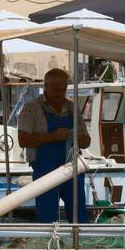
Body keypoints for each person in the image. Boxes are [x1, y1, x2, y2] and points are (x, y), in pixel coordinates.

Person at [17, 68, 91, 223]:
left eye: (63, 89)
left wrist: (75, 137)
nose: (59, 93)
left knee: (79, 215)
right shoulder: (31, 109)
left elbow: (87, 141)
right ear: (46, 87)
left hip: (72, 169)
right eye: (56, 89)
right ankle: (47, 246)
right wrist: (52, 137)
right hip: (45, 169)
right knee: (46, 216)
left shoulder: (72, 108)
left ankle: (81, 245)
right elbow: (23, 140)